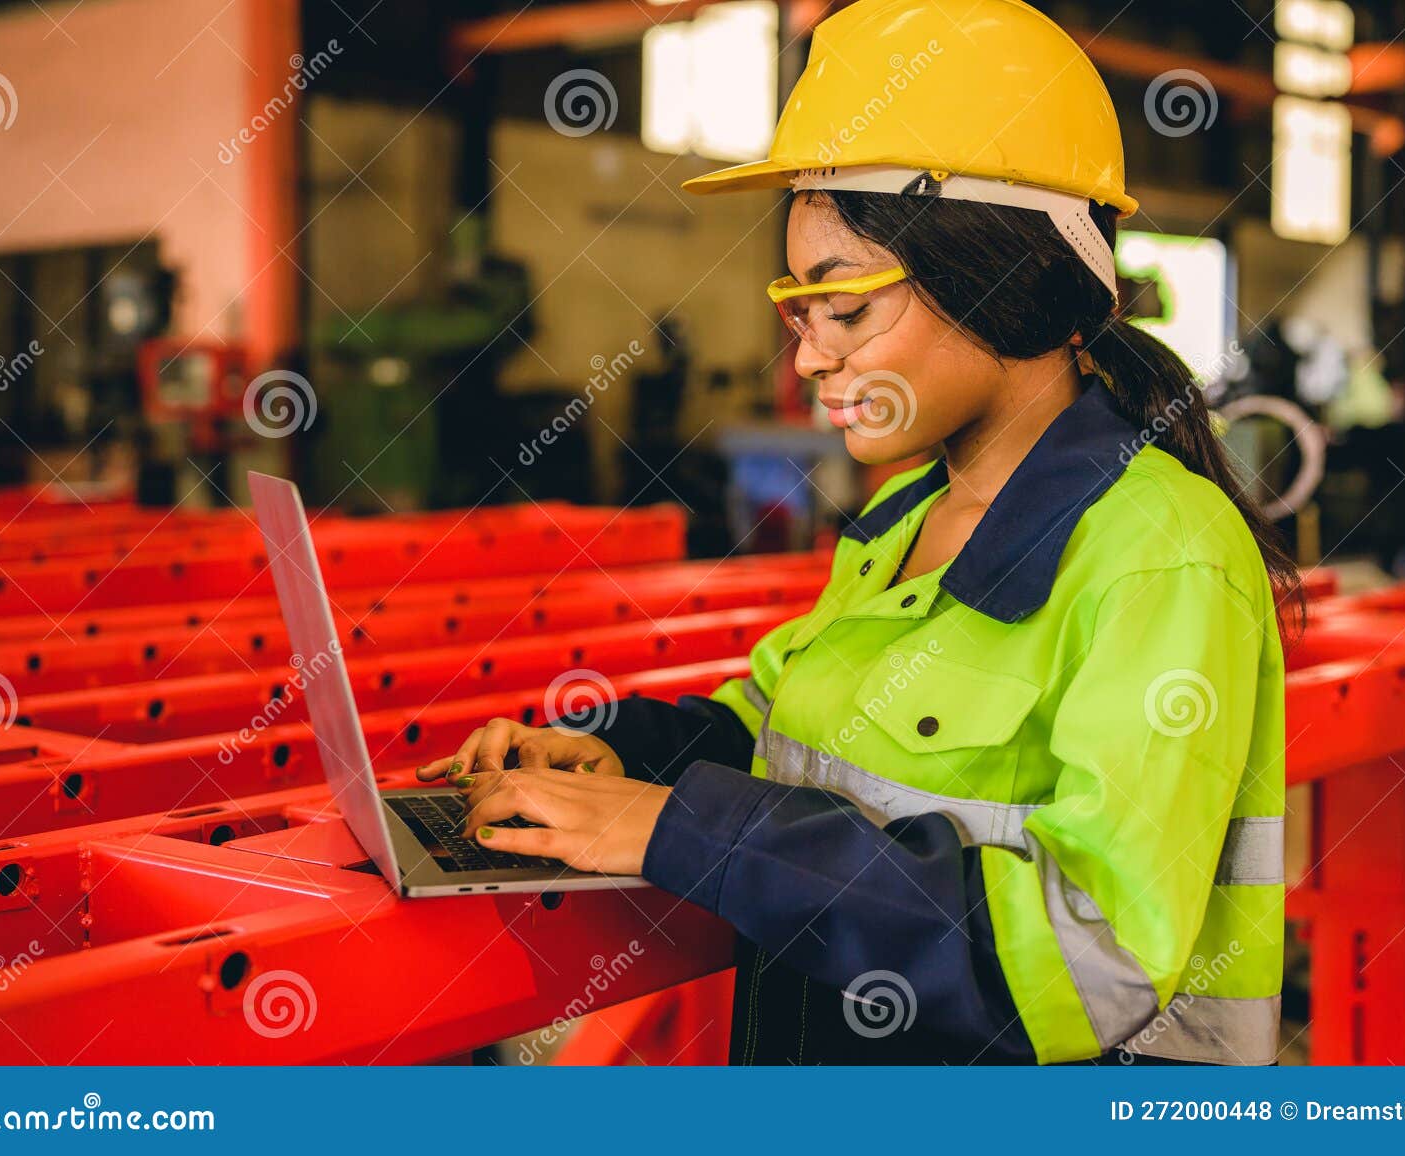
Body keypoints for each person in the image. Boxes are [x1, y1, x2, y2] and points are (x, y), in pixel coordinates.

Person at [418, 0, 1294, 1066]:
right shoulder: (906, 518)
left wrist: (674, 828)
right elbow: (793, 731)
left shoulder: (1159, 556)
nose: (810, 361)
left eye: (846, 309)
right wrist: (622, 759)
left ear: (1000, 275)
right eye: (800, 314)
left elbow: (1082, 959)